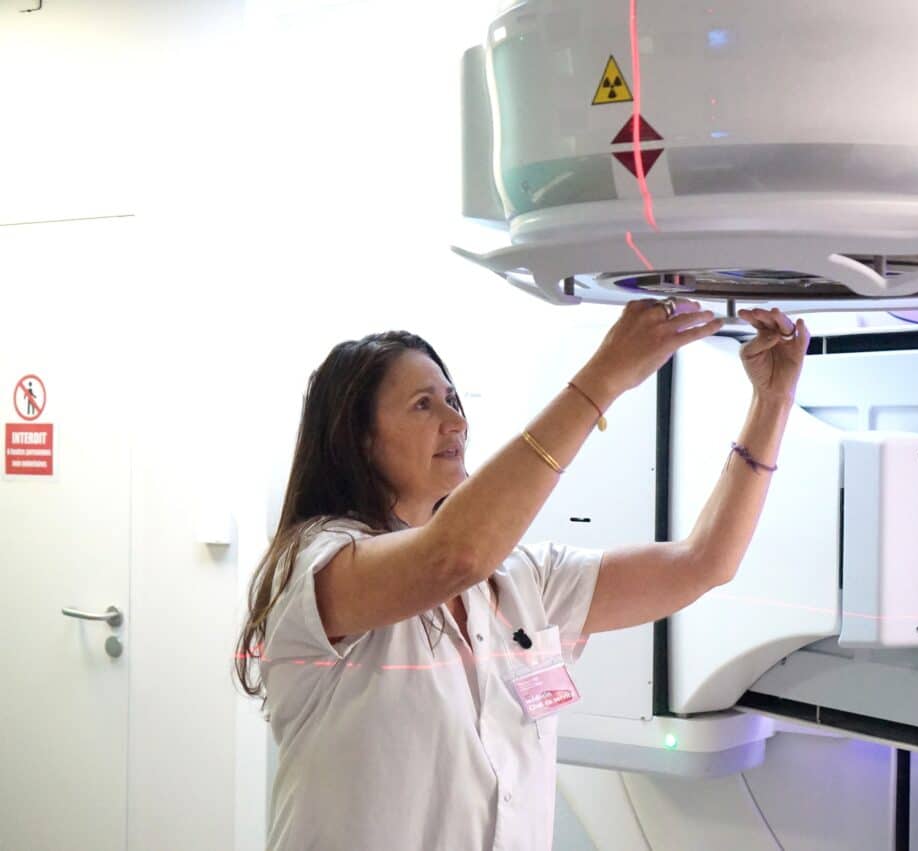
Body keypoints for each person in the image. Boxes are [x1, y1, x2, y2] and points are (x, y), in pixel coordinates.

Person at [233, 297, 809, 850]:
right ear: (357, 438)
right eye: (422, 405)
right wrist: (604, 377)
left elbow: (703, 564)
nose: (455, 421)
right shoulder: (317, 565)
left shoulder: (519, 581)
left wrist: (772, 402)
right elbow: (451, 555)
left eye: (453, 400)